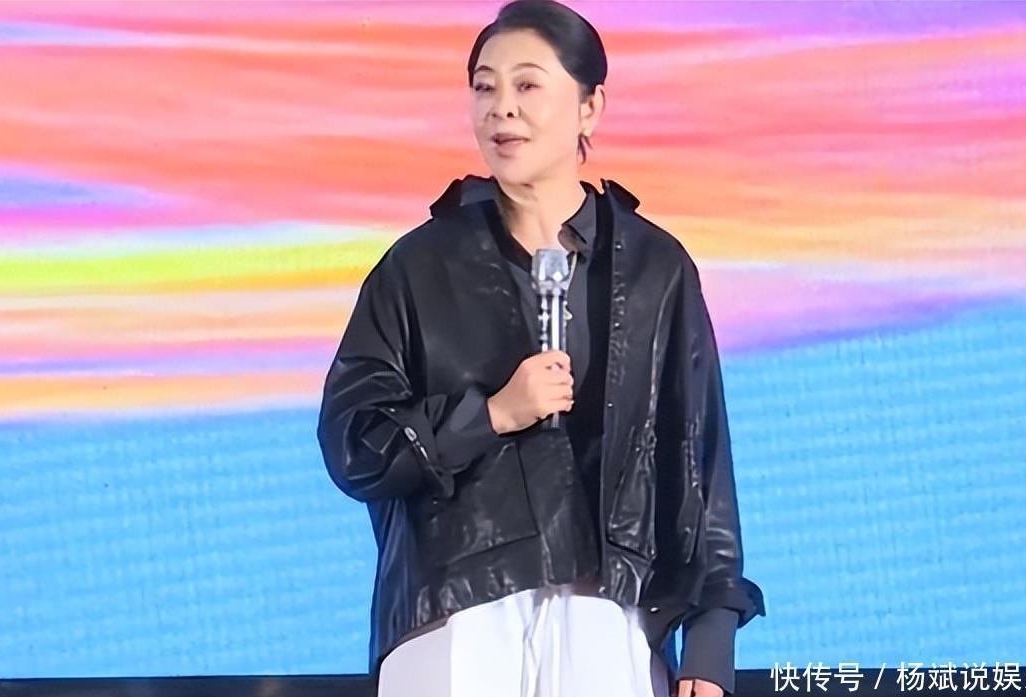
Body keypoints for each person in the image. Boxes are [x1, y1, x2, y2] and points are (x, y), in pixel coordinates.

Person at [316, 1, 765, 696]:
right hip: (454, 609)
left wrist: (710, 642)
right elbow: (354, 445)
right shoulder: (418, 266)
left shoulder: (654, 268)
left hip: (609, 615)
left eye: (527, 85)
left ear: (590, 106)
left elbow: (699, 460)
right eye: (484, 87)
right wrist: (489, 414)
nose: (502, 108)